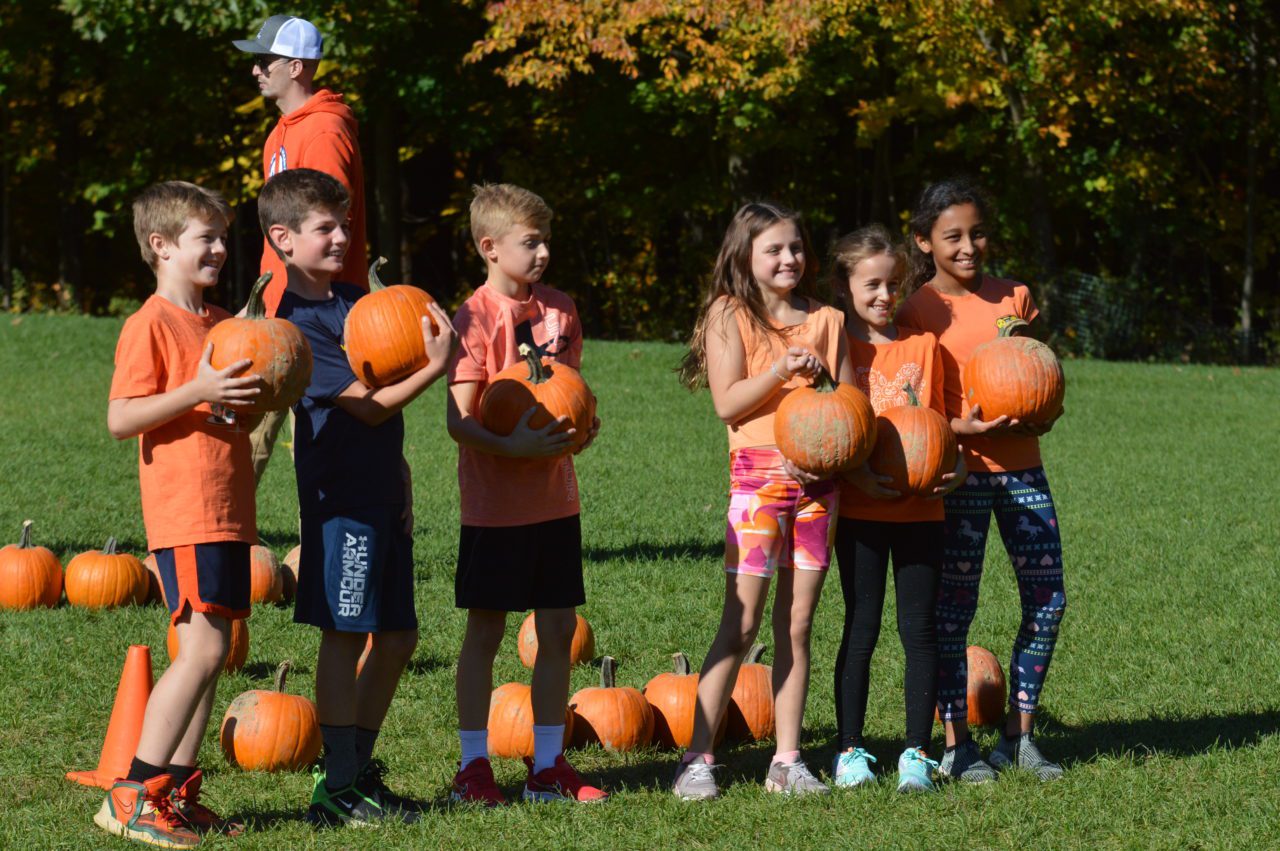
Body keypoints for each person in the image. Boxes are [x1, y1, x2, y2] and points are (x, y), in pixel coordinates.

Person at [262, 168, 456, 825]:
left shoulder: (353, 303)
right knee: (345, 634)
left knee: (399, 635)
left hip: (380, 490)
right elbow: (366, 407)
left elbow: (382, 410)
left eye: (345, 223)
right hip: (340, 502)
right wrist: (436, 366)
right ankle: (335, 787)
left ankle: (353, 772)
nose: (343, 236)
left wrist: (400, 467)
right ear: (283, 239)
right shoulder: (298, 323)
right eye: (326, 227)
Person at [97, 181, 260, 847]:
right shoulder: (151, 325)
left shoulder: (222, 323)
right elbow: (121, 417)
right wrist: (197, 388)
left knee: (215, 650)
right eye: (206, 237)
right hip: (185, 508)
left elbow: (232, 408)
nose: (221, 247)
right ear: (160, 247)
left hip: (226, 509)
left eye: (224, 236)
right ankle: (131, 793)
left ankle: (177, 791)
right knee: (199, 647)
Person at [671, 202, 852, 800]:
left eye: (796, 247)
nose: (788, 259)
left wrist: (830, 447)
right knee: (741, 623)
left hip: (818, 490)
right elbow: (728, 403)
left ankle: (787, 760)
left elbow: (853, 410)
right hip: (758, 483)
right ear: (746, 256)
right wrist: (779, 371)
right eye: (773, 249)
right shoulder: (731, 314)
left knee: (797, 626)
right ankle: (698, 757)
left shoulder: (828, 319)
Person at [896, 177, 1067, 783]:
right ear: (923, 242)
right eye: (953, 237)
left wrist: (1048, 407)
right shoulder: (916, 309)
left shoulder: (1014, 297)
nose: (969, 246)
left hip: (1024, 470)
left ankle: (1019, 737)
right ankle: (956, 743)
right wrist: (958, 426)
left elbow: (1035, 370)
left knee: (1048, 599)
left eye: (977, 233)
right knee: (952, 611)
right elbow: (911, 405)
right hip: (959, 475)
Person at [446, 183, 604, 807]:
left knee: (558, 629)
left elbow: (571, 394)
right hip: (494, 507)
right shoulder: (475, 318)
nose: (542, 252)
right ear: (490, 247)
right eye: (529, 242)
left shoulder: (561, 310)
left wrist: (583, 430)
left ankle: (546, 765)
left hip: (555, 503)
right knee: (485, 630)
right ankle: (472, 766)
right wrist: (514, 449)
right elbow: (460, 420)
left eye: (545, 240)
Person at [826, 224, 964, 792]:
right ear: (846, 286)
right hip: (859, 511)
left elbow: (944, 425)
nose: (884, 295)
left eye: (893, 284)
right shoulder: (837, 351)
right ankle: (850, 750)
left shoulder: (924, 348)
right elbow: (825, 429)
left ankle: (915, 752)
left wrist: (956, 472)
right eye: (872, 284)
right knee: (861, 627)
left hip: (921, 511)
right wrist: (858, 473)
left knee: (920, 631)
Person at [233, 13, 368, 482]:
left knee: (322, 432)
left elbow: (328, 226)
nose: (255, 69)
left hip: (314, 307)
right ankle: (217, 540)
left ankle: (364, 536)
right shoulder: (281, 132)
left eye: (264, 59)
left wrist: (316, 304)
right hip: (278, 300)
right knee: (245, 426)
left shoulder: (324, 131)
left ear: (295, 67)